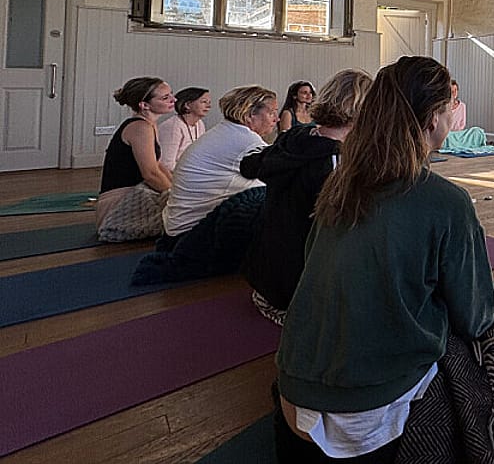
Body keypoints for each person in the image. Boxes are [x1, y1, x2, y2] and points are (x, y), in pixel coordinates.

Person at [275, 56, 494, 463]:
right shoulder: (444, 201)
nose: (452, 117)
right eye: (449, 108)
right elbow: (475, 320)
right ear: (432, 120)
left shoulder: (340, 185)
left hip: (294, 400)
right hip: (371, 415)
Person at [242, 69, 372, 324]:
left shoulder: (295, 138)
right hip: (295, 285)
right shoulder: (331, 161)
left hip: (268, 272)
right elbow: (343, 226)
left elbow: (251, 165)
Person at [131, 86, 277, 285]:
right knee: (265, 199)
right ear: (250, 114)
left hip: (176, 232)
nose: (275, 118)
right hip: (191, 236)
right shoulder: (245, 141)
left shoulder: (225, 131)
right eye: (271, 112)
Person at [96, 77, 175, 242]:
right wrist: (177, 197)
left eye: (171, 95)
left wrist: (177, 188)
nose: (173, 100)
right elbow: (151, 174)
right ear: (144, 105)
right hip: (118, 207)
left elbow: (158, 166)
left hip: (135, 194)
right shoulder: (140, 127)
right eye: (165, 97)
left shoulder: (149, 125)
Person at [158, 87, 211, 172]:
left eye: (209, 102)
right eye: (204, 102)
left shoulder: (199, 124)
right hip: (174, 176)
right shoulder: (173, 126)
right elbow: (166, 164)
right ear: (187, 105)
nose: (209, 106)